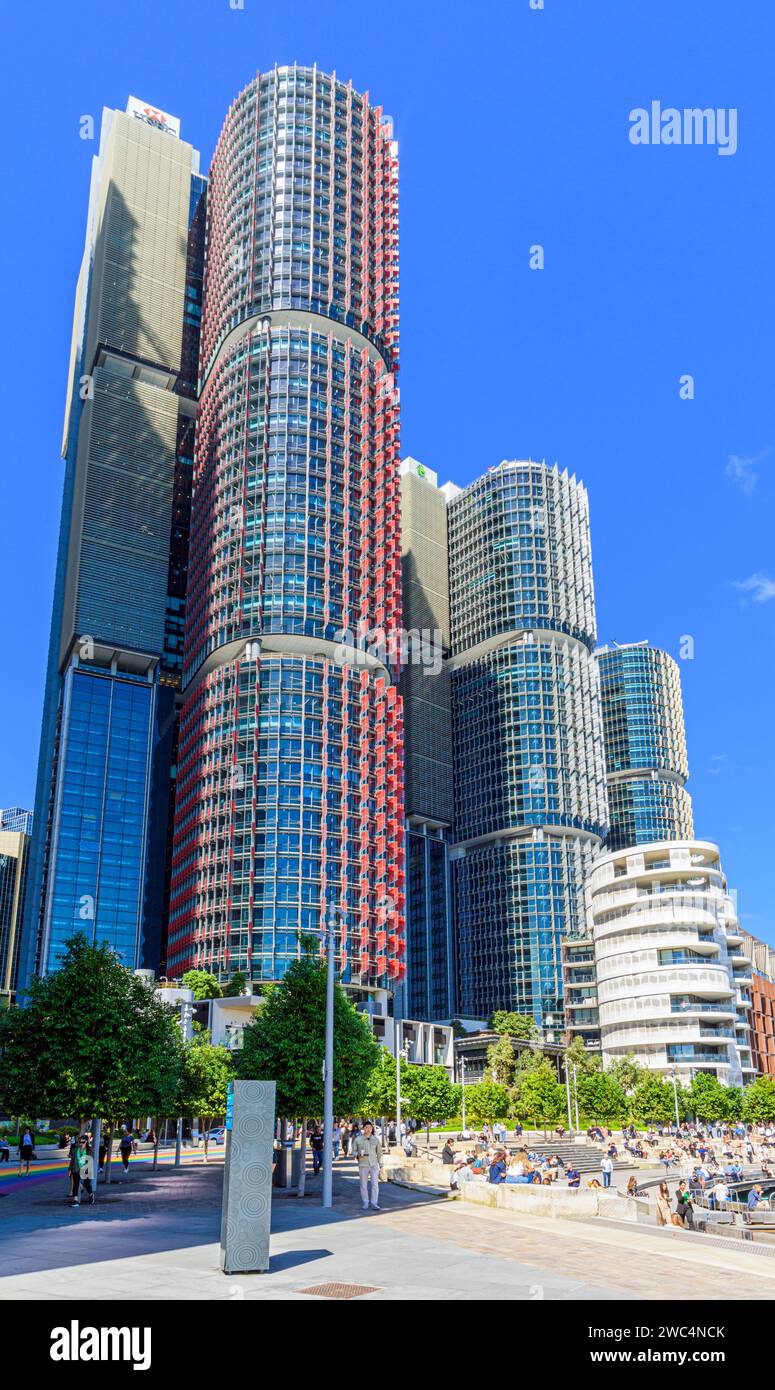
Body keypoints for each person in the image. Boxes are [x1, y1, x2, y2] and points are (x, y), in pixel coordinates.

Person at [353, 1121, 383, 1212]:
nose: (368, 1129)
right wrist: (358, 1154)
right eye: (366, 1127)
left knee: (375, 1184)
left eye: (370, 1127)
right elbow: (353, 1151)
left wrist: (381, 1166)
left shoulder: (376, 1139)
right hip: (363, 1165)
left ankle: (374, 1203)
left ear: (372, 1129)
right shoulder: (358, 1139)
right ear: (363, 1129)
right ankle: (365, 1202)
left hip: (374, 1165)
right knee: (363, 1185)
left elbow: (379, 1154)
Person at [68, 1134, 95, 1207]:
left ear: (86, 1142)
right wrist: (70, 1169)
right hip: (76, 1168)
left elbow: (90, 1160)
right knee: (75, 1184)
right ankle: (75, 1201)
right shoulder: (76, 1149)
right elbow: (72, 1160)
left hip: (86, 1169)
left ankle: (91, 1194)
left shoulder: (89, 1150)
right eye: (80, 1142)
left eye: (83, 1142)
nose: (81, 1144)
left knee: (86, 1184)